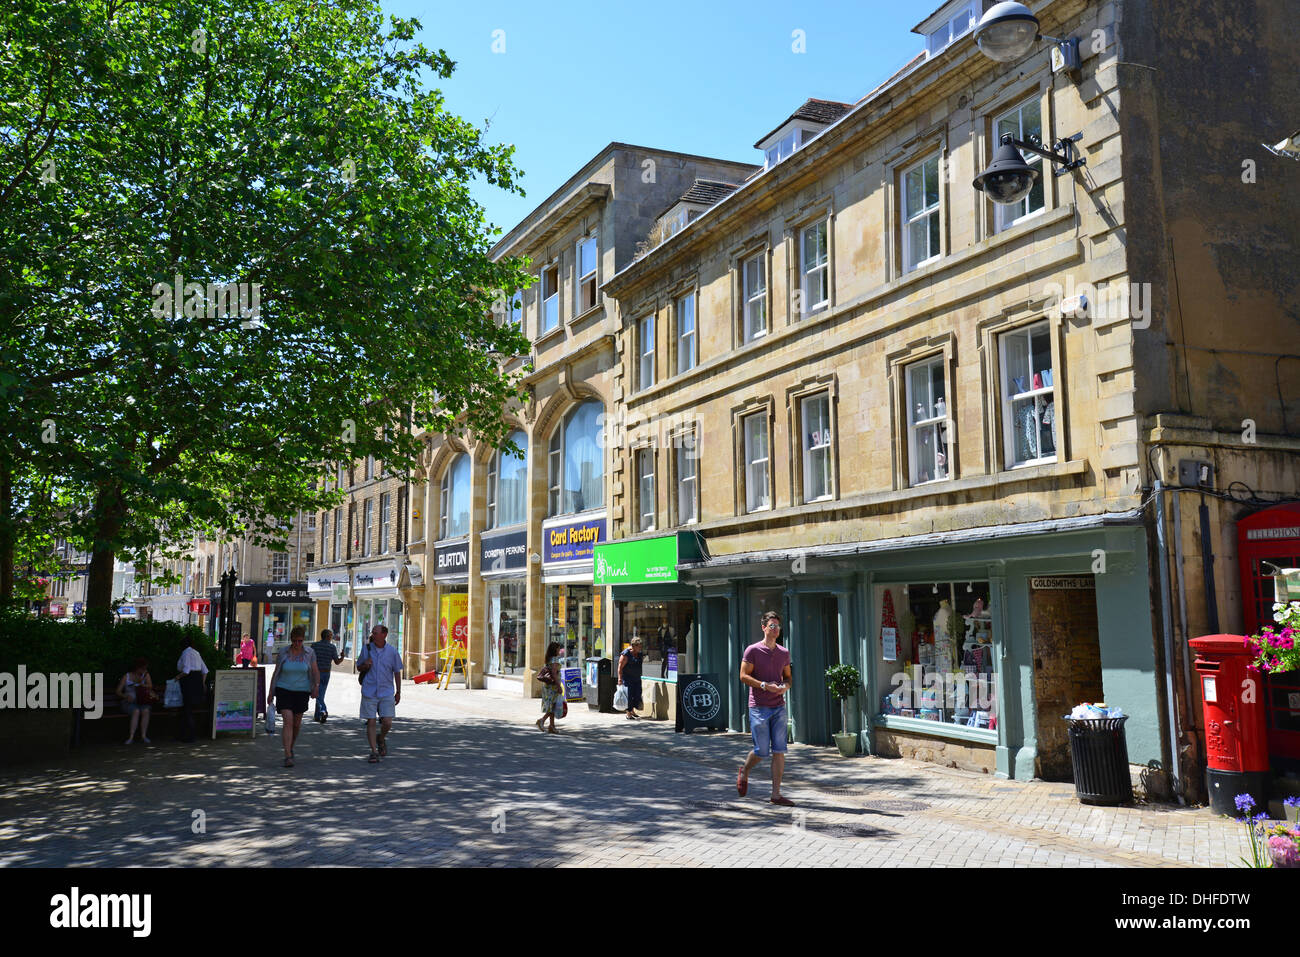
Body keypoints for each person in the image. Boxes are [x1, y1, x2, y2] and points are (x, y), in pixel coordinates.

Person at [737, 611, 795, 806]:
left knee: (779, 750)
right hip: (759, 707)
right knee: (761, 751)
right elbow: (743, 676)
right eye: (772, 625)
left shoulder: (783, 653)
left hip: (778, 706)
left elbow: (788, 677)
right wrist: (763, 685)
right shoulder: (752, 650)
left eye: (778, 626)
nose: (776, 629)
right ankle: (745, 770)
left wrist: (785, 687)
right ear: (763, 627)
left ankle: (776, 794)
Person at [267, 626, 319, 767]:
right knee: (288, 722)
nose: (297, 643)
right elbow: (276, 672)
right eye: (295, 641)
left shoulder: (309, 653)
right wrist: (271, 692)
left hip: (302, 691)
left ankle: (290, 746)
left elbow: (315, 671)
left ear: (303, 640)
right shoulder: (283, 652)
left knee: (296, 724)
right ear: (291, 640)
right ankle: (287, 755)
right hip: (284, 689)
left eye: (300, 641)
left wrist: (316, 687)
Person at [356, 624, 402, 763]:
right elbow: (359, 667)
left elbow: (397, 672)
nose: (373, 635)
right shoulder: (367, 649)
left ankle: (380, 738)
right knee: (371, 720)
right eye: (373, 633)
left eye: (376, 633)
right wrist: (365, 665)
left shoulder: (392, 651)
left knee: (387, 722)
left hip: (386, 691)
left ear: (384, 634)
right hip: (369, 690)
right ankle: (374, 751)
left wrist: (399, 691)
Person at [174, 635, 209, 743]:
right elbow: (205, 670)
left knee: (186, 709)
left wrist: (177, 677)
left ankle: (188, 736)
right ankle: (190, 734)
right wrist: (202, 683)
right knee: (190, 709)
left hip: (188, 682)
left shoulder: (186, 652)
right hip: (197, 681)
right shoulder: (196, 653)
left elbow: (186, 670)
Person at [116, 657, 154, 745]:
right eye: (142, 668)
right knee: (136, 711)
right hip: (129, 702)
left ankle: (144, 736)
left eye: (145, 668)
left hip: (142, 701)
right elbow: (118, 691)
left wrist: (142, 684)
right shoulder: (127, 676)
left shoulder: (145, 675)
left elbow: (150, 686)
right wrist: (125, 696)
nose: (144, 670)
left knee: (146, 711)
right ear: (137, 667)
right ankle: (131, 737)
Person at [310, 628, 344, 723]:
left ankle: (320, 713)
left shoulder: (314, 646)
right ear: (328, 637)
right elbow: (337, 662)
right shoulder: (331, 647)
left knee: (318, 693)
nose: (332, 637)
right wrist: (342, 657)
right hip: (326, 673)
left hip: (316, 672)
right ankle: (321, 711)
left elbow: (310, 659)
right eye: (331, 635)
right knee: (321, 693)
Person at [535, 641, 564, 734]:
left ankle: (552, 726)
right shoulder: (555, 660)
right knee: (553, 706)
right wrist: (559, 686)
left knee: (552, 705)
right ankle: (542, 720)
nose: (559, 650)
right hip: (553, 686)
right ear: (555, 649)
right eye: (558, 648)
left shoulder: (549, 658)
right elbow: (554, 674)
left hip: (548, 686)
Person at [617, 636, 646, 720]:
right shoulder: (626, 654)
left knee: (637, 695)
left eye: (641, 646)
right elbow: (620, 667)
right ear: (633, 646)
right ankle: (628, 713)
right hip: (627, 678)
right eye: (638, 646)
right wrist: (619, 679)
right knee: (629, 696)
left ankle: (632, 711)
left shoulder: (640, 654)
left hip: (637, 678)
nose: (640, 647)